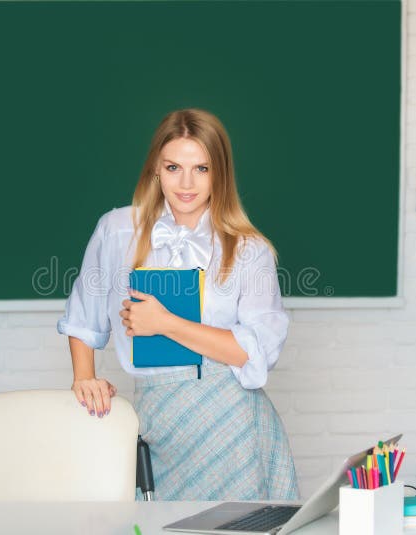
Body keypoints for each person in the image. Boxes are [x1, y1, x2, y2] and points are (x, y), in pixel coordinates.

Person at [56, 108, 298, 501]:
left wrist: (165, 322)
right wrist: (84, 378)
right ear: (156, 168)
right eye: (173, 167)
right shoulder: (117, 229)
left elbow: (254, 351)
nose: (186, 183)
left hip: (233, 426)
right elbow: (83, 320)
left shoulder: (250, 249)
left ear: (219, 172)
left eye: (201, 168)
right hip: (155, 417)